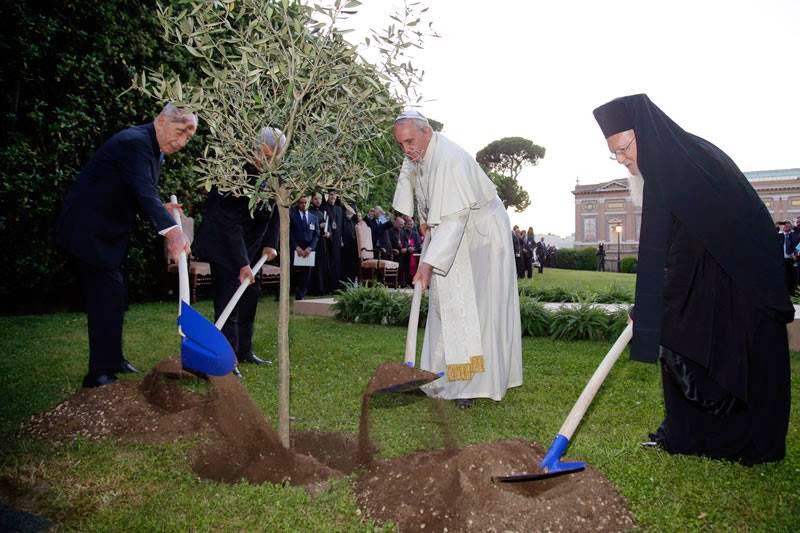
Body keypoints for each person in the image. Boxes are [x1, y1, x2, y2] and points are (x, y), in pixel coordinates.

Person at [593, 94, 793, 464]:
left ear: (644, 134)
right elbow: (675, 245)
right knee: (680, 327)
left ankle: (718, 437)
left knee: (694, 335)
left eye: (624, 149)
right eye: (615, 155)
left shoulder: (677, 168)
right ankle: (691, 433)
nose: (623, 161)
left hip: (738, 280)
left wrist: (653, 307)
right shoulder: (678, 157)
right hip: (712, 271)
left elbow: (668, 252)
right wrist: (653, 306)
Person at [55, 103, 196, 388]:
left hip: (109, 233)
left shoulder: (151, 147)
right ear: (161, 121)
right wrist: (173, 233)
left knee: (117, 296)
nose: (181, 143)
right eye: (179, 132)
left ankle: (113, 358)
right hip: (89, 231)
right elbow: (143, 192)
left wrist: (162, 207)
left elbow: (135, 187)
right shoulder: (134, 143)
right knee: (105, 297)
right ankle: (98, 374)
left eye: (188, 138)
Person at [392, 110, 523, 407]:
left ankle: (472, 385)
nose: (406, 149)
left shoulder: (449, 159)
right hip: (455, 231)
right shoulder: (419, 152)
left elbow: (454, 219)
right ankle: (441, 376)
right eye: (401, 144)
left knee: (476, 309)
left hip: (482, 237)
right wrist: (424, 218)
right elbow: (420, 188)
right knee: (447, 304)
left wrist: (427, 265)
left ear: (427, 132)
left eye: (410, 141)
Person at [193, 126, 284, 376]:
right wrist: (242, 263)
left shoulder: (274, 172)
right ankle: (227, 358)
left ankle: (244, 350)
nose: (272, 160)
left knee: (249, 296)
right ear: (257, 149)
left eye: (276, 155)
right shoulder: (235, 173)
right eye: (267, 155)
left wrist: (270, 243)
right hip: (224, 244)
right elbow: (229, 222)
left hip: (251, 243)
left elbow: (276, 209)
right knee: (228, 300)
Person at [290, 195, 319, 300]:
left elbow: (316, 235)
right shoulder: (293, 216)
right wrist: (296, 247)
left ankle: (301, 295)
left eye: (305, 202)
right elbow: (290, 233)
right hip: (296, 249)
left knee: (307, 274)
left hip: (308, 250)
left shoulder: (313, 217)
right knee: (294, 273)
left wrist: (310, 248)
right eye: (301, 202)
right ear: (298, 203)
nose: (304, 204)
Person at [321, 192, 344, 291]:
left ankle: (336, 286)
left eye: (334, 195)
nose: (333, 197)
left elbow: (341, 225)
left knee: (336, 263)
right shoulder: (324, 207)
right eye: (331, 194)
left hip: (337, 240)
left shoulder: (339, 209)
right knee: (328, 262)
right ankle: (327, 286)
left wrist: (341, 238)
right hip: (327, 239)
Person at [307, 192, 329, 295]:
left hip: (321, 243)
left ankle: (320, 288)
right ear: (312, 200)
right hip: (311, 243)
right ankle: (311, 289)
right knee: (312, 266)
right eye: (316, 199)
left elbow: (326, 228)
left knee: (320, 266)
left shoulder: (321, 213)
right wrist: (318, 226)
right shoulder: (309, 212)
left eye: (320, 199)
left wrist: (328, 232)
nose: (318, 201)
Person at [779, 221, 799, 295]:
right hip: (782, 260)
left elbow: (798, 246)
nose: (785, 227)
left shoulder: (795, 235)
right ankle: (785, 294)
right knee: (784, 277)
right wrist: (778, 224)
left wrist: (795, 254)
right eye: (784, 226)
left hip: (793, 259)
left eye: (787, 226)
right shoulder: (779, 236)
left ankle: (793, 293)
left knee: (793, 277)